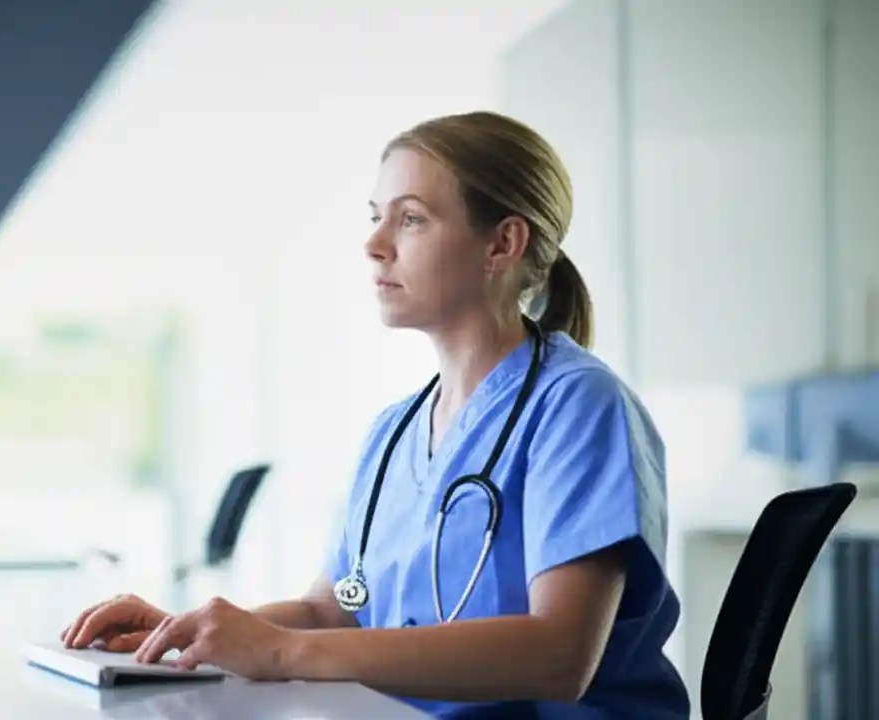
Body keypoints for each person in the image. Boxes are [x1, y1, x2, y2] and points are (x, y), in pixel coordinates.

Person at [60, 110, 690, 718]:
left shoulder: (578, 406)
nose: (374, 245)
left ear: (502, 243)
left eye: (410, 219)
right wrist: (182, 632)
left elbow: (559, 657)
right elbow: (333, 611)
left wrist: (284, 652)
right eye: (375, 217)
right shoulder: (396, 434)